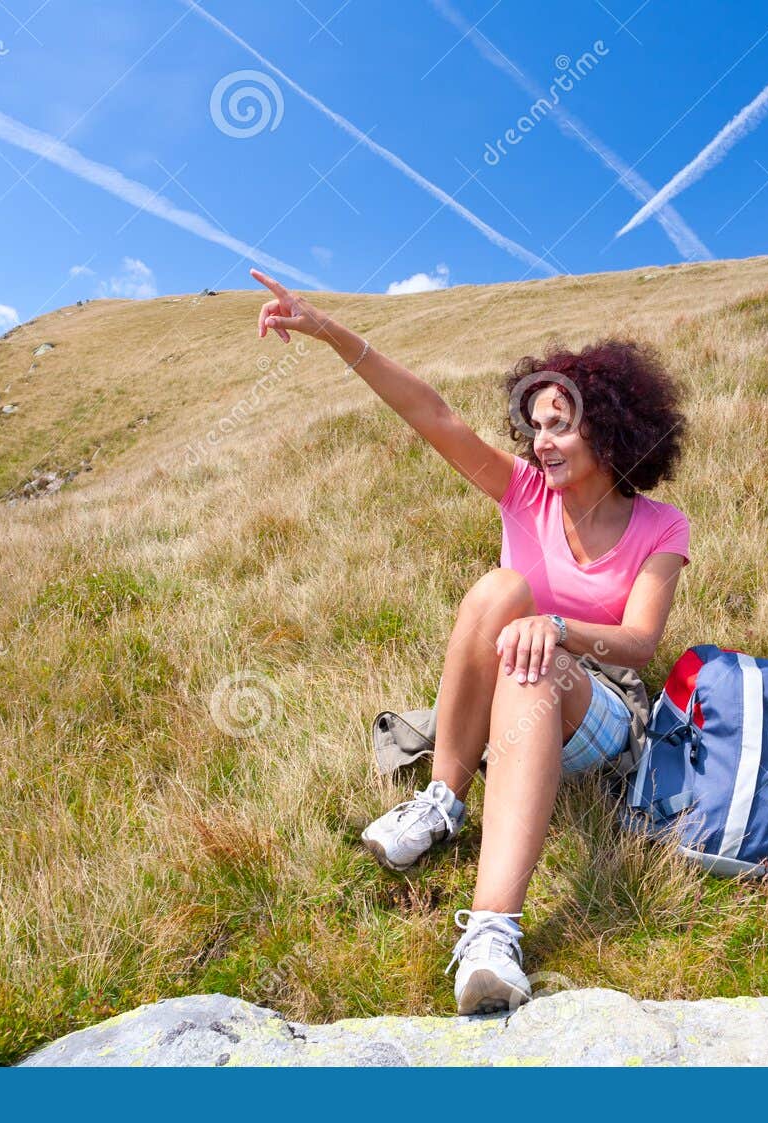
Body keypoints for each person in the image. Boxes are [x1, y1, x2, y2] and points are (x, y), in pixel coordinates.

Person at [250, 269, 690, 1014]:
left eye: (562, 424)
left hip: (602, 706)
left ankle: (491, 932)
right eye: (536, 426)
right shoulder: (522, 492)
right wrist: (328, 332)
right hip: (522, 691)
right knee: (498, 590)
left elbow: (641, 642)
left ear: (612, 430)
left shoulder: (660, 526)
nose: (541, 442)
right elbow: (433, 412)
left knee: (530, 649)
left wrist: (556, 630)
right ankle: (443, 803)